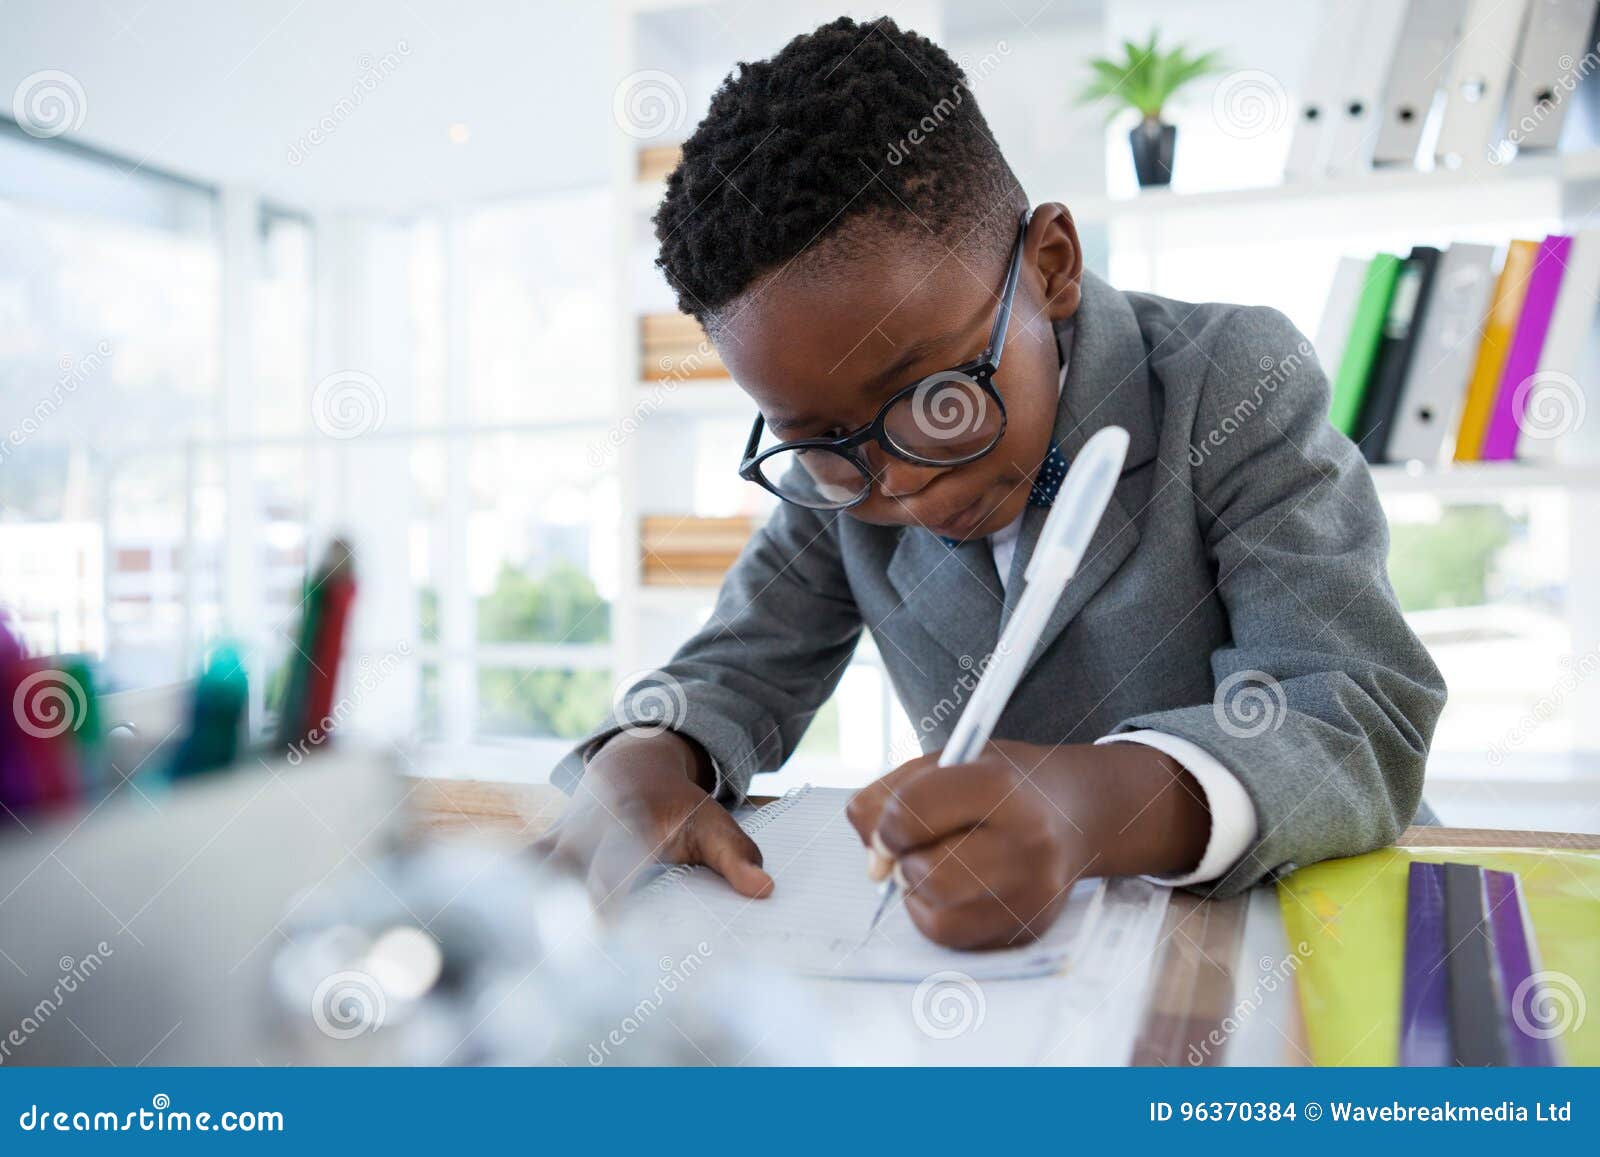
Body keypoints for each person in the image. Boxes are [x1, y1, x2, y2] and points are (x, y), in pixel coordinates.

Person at [542, 16, 1445, 950]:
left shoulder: (1229, 381)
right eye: (823, 446)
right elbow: (737, 666)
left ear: (1051, 266)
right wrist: (649, 754)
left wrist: (1095, 804)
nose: (915, 492)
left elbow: (1356, 711)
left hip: (1308, 927)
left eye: (940, 401)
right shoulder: (846, 473)